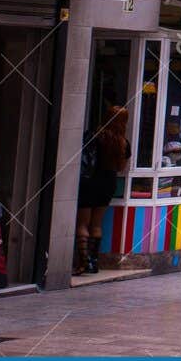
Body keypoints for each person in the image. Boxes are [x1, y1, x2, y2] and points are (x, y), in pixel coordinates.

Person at [76, 105, 130, 274]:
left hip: (90, 181)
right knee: (96, 224)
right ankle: (93, 261)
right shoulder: (124, 143)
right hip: (108, 182)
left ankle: (83, 262)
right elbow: (121, 168)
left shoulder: (95, 136)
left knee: (82, 223)